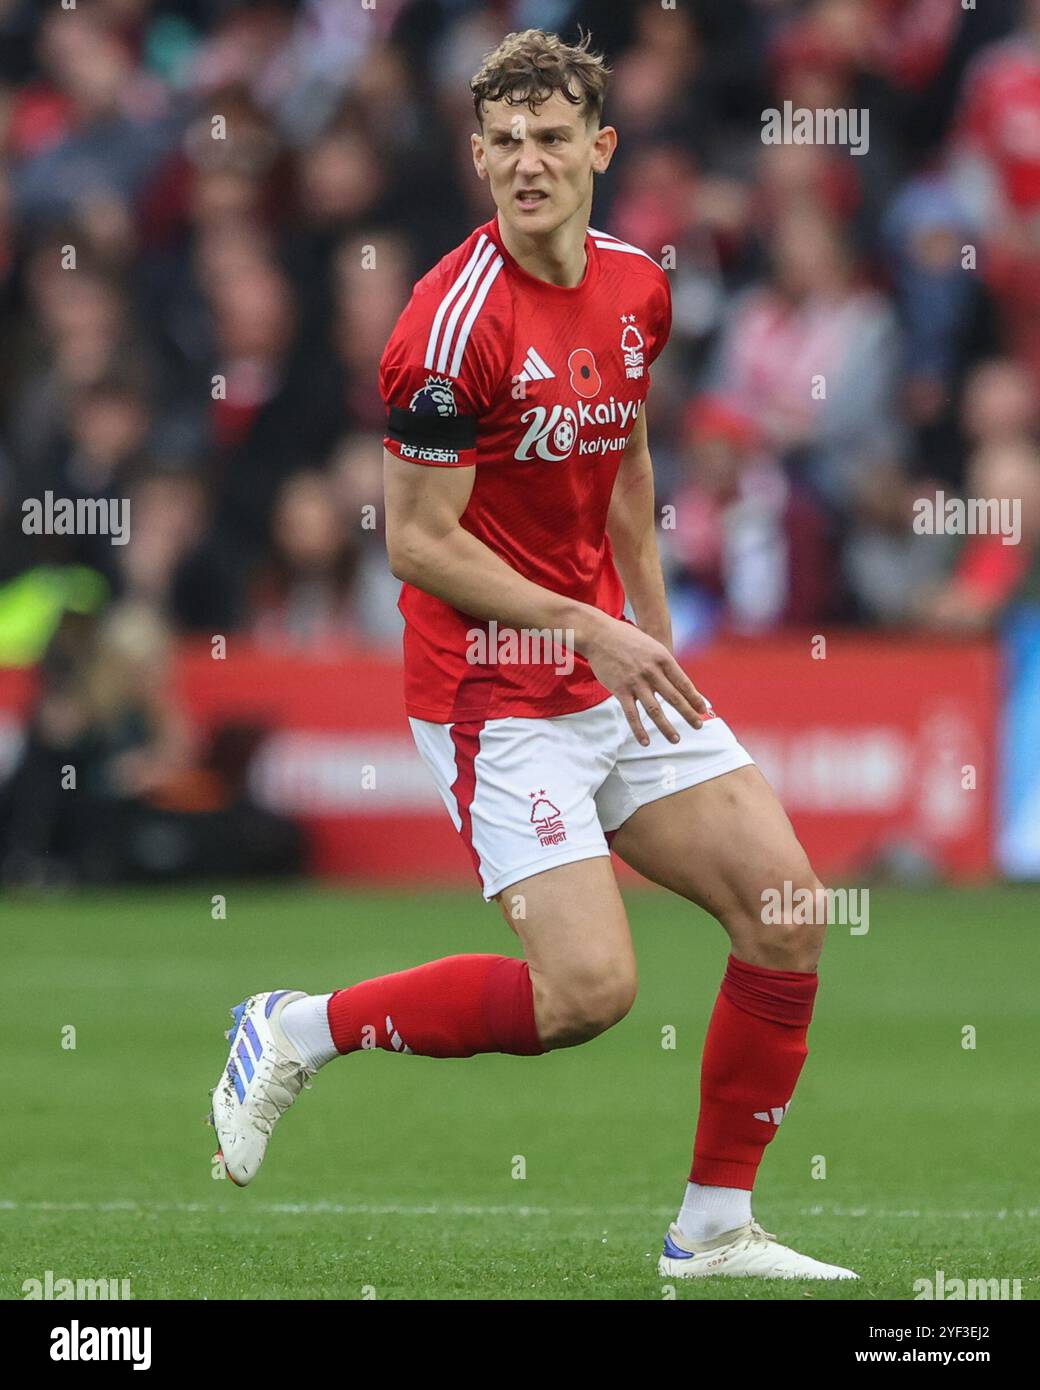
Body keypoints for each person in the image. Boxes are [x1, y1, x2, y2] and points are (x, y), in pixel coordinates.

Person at [210, 29, 856, 1283]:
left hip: (605, 659)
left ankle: (712, 1229)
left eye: (551, 137)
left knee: (785, 914)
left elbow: (625, 451)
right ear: (474, 154)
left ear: (599, 149)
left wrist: (650, 626)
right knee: (584, 996)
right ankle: (295, 1028)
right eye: (502, 141)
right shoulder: (445, 331)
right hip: (491, 690)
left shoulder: (633, 283)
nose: (526, 162)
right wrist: (592, 626)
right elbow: (414, 543)